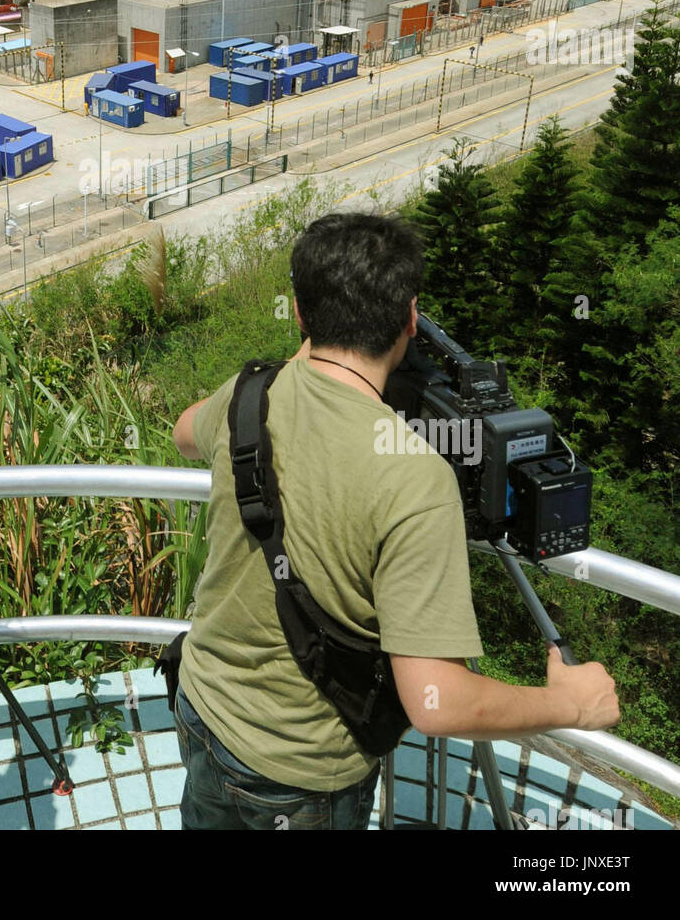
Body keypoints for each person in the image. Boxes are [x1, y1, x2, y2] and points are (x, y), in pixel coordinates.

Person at [170, 211, 619, 831]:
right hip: (300, 774)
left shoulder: (248, 395)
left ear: (300, 315)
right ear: (410, 318)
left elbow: (183, 435)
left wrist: (303, 361)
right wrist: (568, 703)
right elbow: (435, 703)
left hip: (202, 712)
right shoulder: (415, 477)